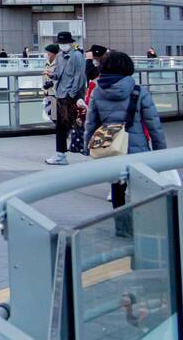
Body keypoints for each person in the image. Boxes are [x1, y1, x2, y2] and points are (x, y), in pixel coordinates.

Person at [86, 51, 166, 234]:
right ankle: (143, 227)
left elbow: (91, 123)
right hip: (138, 148)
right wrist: (161, 151)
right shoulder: (139, 91)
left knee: (117, 190)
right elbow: (154, 125)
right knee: (141, 189)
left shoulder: (98, 92)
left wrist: (87, 147)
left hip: (112, 149)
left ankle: (122, 228)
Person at [46, 31, 87, 166]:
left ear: (71, 43)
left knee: (64, 125)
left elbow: (79, 77)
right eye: (61, 43)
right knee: (62, 125)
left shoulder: (77, 56)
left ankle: (62, 154)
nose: (63, 45)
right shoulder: (59, 56)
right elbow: (58, 74)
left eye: (65, 43)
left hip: (70, 96)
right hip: (60, 94)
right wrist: (52, 76)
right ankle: (62, 153)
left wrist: (71, 94)